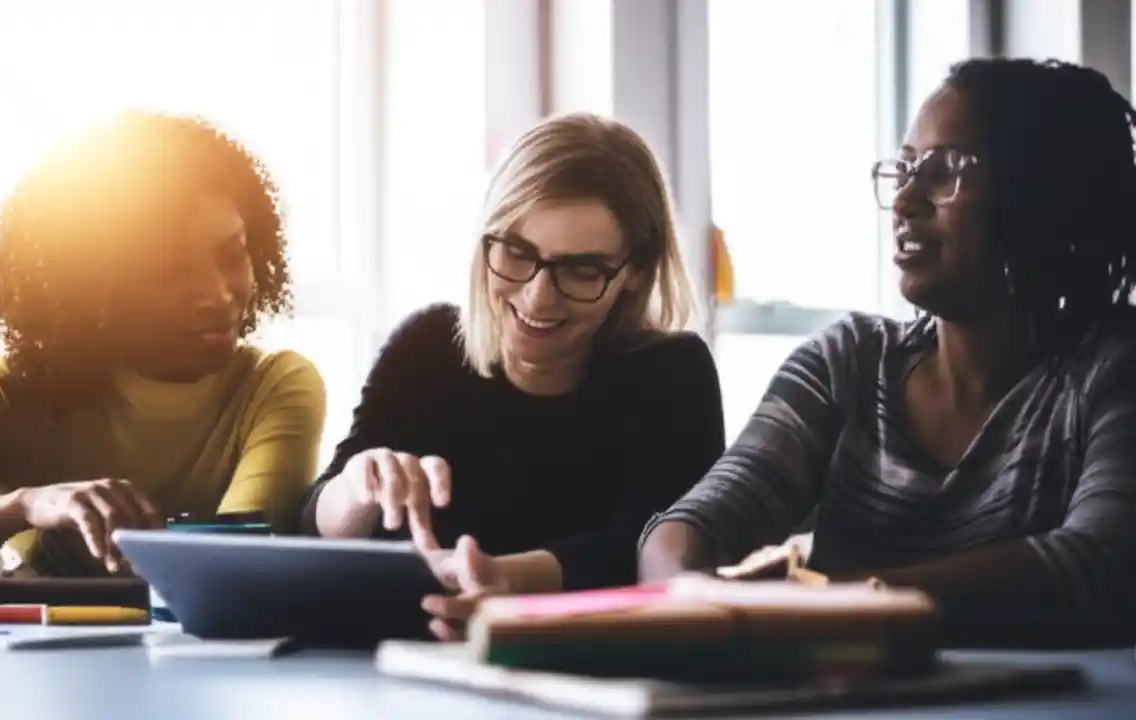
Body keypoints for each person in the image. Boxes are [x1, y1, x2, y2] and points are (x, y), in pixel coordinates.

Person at [639, 58, 1136, 612]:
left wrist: (837, 598)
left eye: (944, 170)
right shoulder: (850, 362)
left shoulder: (1111, 369)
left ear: (1039, 191)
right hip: (849, 697)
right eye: (903, 171)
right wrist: (684, 589)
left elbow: (1102, 559)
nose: (903, 202)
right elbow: (689, 527)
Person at [300, 113, 725, 639]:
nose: (537, 296)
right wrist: (358, 490)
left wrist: (507, 581)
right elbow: (312, 522)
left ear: (635, 272)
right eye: (517, 254)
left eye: (582, 270)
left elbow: (662, 549)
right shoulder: (428, 347)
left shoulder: (671, 373)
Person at [0, 112, 325, 578]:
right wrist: (21, 507)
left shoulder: (273, 386)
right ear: (88, 285)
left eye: (232, 255)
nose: (219, 295)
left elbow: (232, 565)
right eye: (170, 270)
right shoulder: (11, 389)